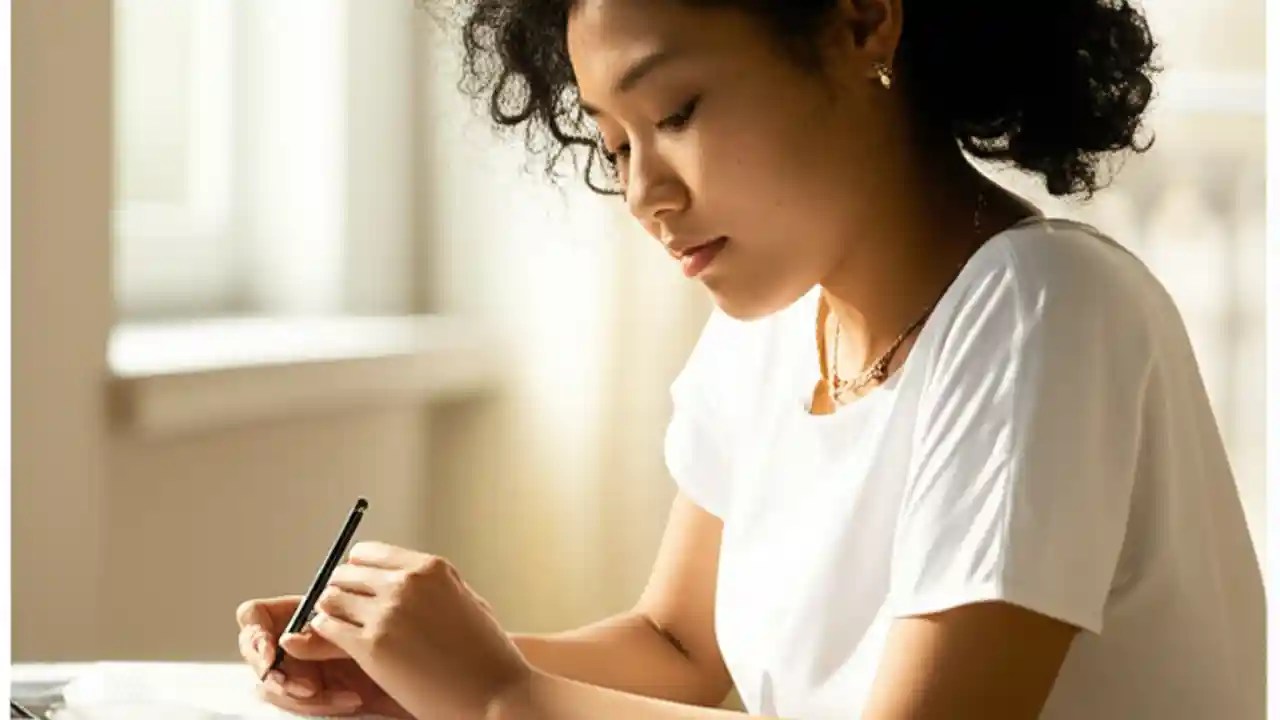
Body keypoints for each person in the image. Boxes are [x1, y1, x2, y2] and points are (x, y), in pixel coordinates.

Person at [235, 0, 1266, 718]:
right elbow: (678, 650)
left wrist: (498, 695)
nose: (644, 195)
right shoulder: (767, 327)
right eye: (613, 143)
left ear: (862, 20)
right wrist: (407, 675)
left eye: (674, 114)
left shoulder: (1044, 310)